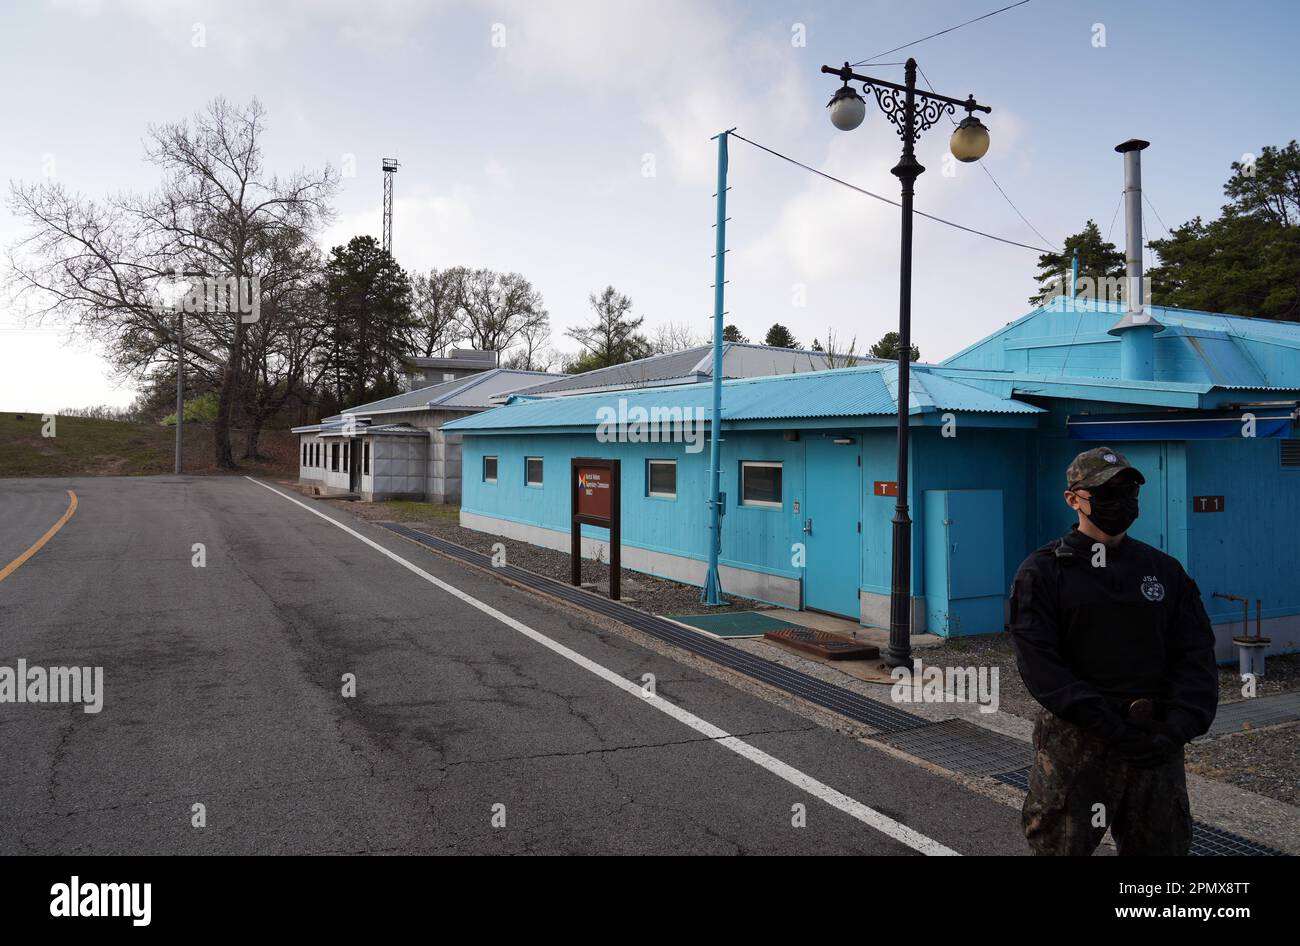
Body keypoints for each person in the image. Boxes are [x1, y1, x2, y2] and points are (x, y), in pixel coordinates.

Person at [1006, 446, 1218, 856]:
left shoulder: (1163, 570)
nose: (1120, 503)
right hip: (1077, 745)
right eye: (1105, 494)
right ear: (1074, 499)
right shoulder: (1044, 572)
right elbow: (1041, 668)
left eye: (1128, 493)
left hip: (1155, 743)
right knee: (1061, 848)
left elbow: (1196, 655)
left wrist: (1177, 726)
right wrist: (1110, 726)